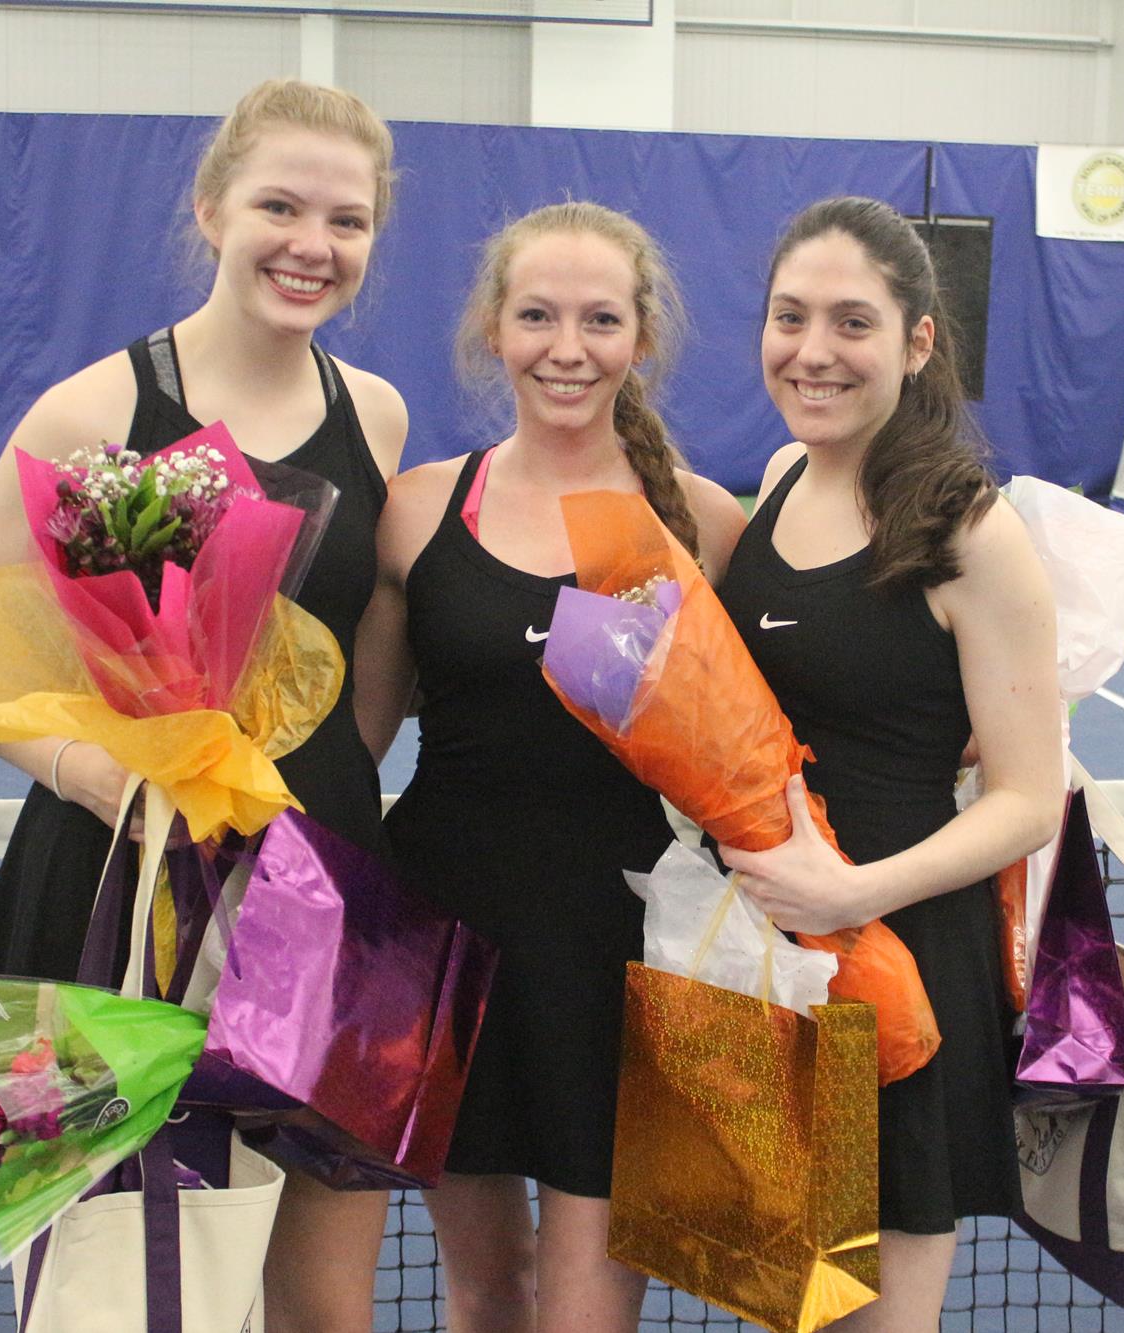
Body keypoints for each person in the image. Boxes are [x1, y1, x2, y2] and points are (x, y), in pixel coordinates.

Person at [0, 78, 408, 1333]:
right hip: (106, 896)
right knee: (110, 1290)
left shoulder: (374, 414)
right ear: (210, 210)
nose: (311, 245)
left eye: (348, 221)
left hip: (314, 901)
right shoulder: (91, 413)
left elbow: (364, 679)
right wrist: (108, 781)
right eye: (278, 205)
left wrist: (297, 815)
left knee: (316, 1298)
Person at [353, 201, 747, 1332]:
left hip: (620, 955)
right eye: (536, 315)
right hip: (442, 947)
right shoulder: (418, 510)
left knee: (585, 1314)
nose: (565, 348)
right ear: (492, 328)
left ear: (641, 339)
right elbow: (357, 744)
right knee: (483, 1291)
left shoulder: (706, 527)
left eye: (598, 319)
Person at [713, 196, 1063, 1328]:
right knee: (785, 1300)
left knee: (871, 1318)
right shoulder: (776, 475)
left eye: (852, 323)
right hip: (765, 950)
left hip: (897, 960)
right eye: (790, 317)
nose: (812, 352)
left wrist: (851, 891)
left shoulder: (968, 530)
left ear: (917, 343)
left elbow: (1023, 799)